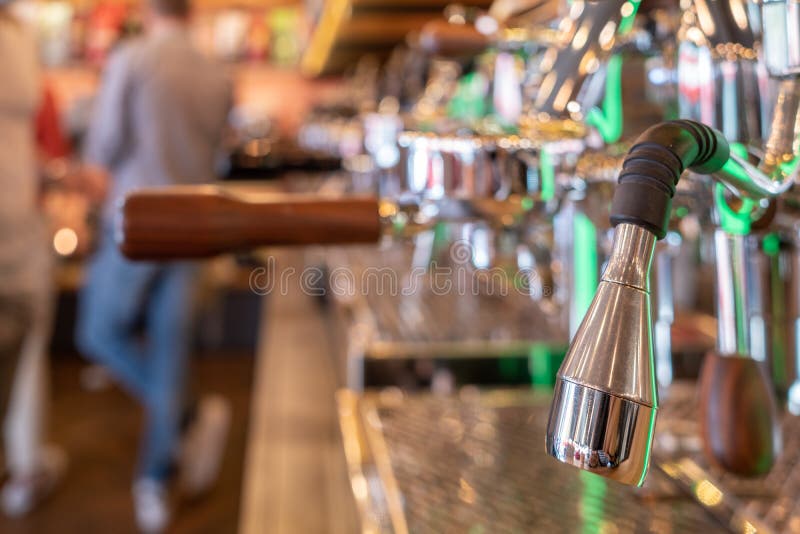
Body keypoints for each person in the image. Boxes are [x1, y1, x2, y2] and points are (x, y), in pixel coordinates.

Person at [76, 0, 233, 530]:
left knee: (97, 332)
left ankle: (183, 418)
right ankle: (155, 477)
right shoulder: (216, 73)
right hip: (197, 226)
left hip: (137, 224)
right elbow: (218, 152)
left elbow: (100, 156)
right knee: (171, 349)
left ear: (145, 9)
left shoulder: (133, 59)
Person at [0, 1, 67, 517]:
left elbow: (22, 148)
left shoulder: (19, 36)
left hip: (21, 239)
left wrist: (60, 176)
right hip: (18, 237)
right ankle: (24, 469)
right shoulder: (17, 38)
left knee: (24, 355)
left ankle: (24, 469)